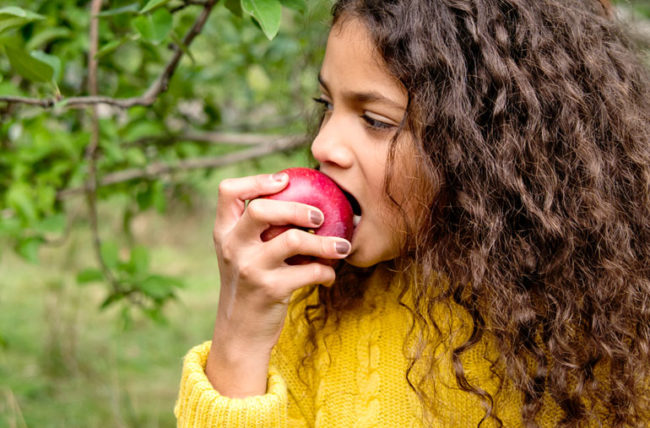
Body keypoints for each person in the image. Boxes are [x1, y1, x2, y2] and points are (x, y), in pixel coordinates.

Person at [174, 0, 650, 426]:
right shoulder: (313, 305)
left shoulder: (611, 323)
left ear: (486, 146)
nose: (321, 145)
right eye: (326, 104)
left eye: (376, 121)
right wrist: (239, 333)